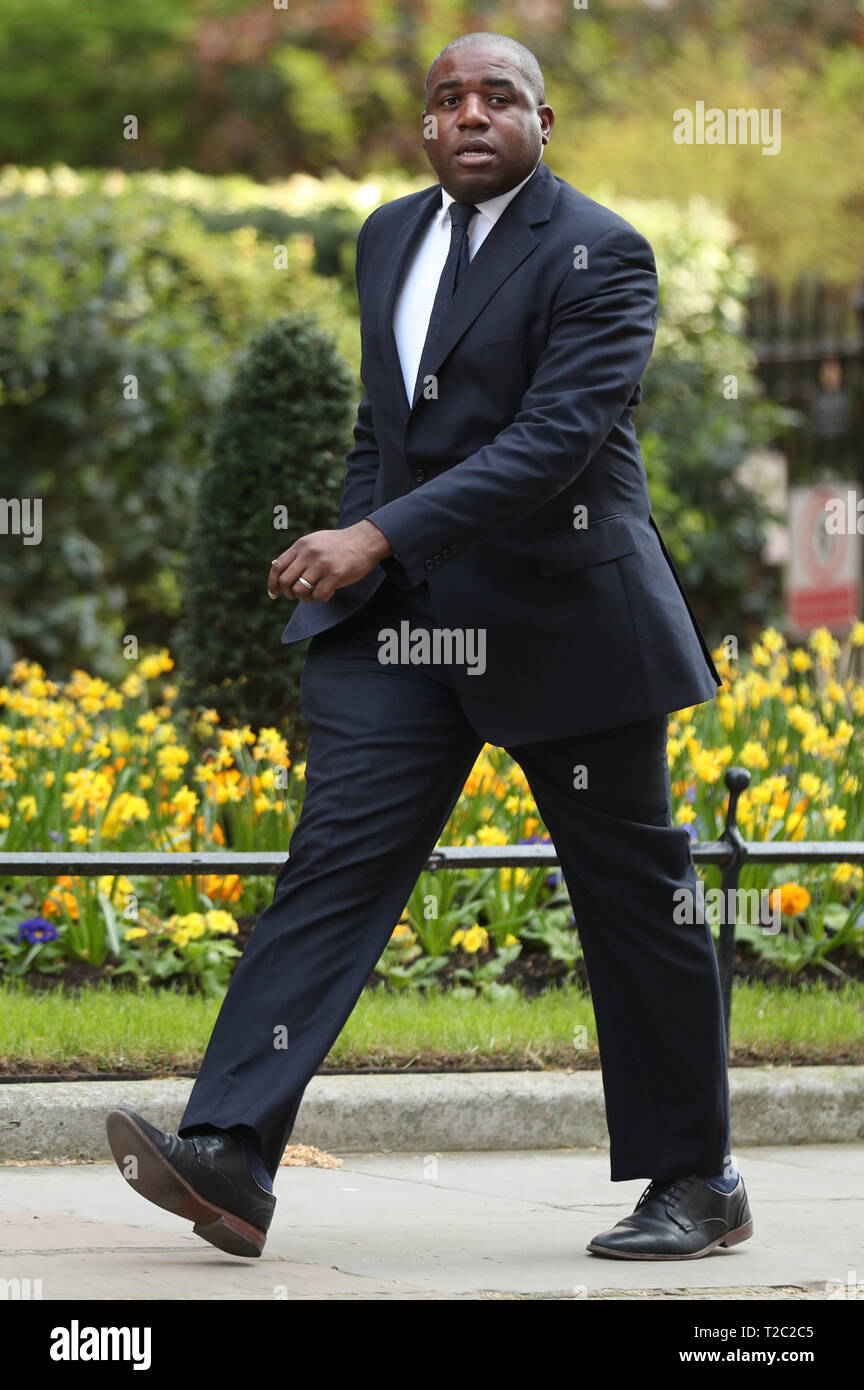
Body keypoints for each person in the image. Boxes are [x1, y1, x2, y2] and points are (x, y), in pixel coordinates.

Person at [107, 31, 751, 1262]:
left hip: (570, 623)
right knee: (336, 858)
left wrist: (375, 538)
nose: (470, 114)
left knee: (633, 899)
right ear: (423, 125)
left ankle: (699, 1177)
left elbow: (553, 443)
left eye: (497, 96)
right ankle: (233, 1153)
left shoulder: (602, 252)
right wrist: (366, 541)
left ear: (542, 123)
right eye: (446, 97)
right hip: (401, 626)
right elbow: (384, 428)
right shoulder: (388, 237)